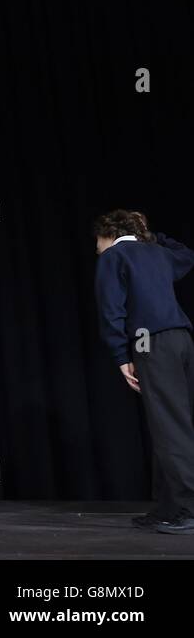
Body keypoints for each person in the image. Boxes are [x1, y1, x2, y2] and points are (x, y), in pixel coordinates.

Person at [94, 209, 194, 533]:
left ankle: (188, 509)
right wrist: (151, 235)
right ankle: (168, 506)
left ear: (109, 233)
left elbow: (111, 309)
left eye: (97, 239)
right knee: (174, 423)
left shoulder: (113, 256)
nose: (96, 246)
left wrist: (121, 355)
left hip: (150, 343)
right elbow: (187, 254)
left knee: (169, 427)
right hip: (182, 340)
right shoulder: (159, 253)